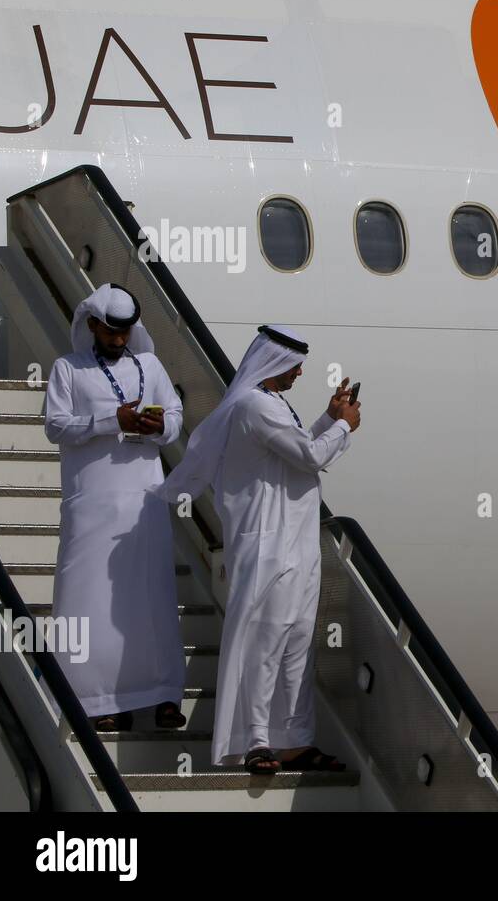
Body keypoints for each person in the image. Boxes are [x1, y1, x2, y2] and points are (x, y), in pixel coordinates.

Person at [155, 324, 361, 773]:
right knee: (265, 640)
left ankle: (295, 740)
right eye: (295, 364)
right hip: (268, 545)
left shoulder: (272, 404)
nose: (301, 372)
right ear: (274, 363)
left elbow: (299, 447)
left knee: (297, 642)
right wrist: (344, 428)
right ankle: (256, 741)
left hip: (296, 543)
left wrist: (328, 420)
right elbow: (309, 457)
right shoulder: (253, 406)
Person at [43, 283, 187, 731]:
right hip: (92, 502)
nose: (119, 341)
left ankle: (164, 694)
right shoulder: (68, 368)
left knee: (150, 595)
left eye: (125, 333)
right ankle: (96, 700)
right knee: (90, 600)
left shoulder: (150, 363)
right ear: (92, 325)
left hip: (143, 499)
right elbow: (55, 426)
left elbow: (178, 417)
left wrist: (159, 424)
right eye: (110, 332)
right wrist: (111, 422)